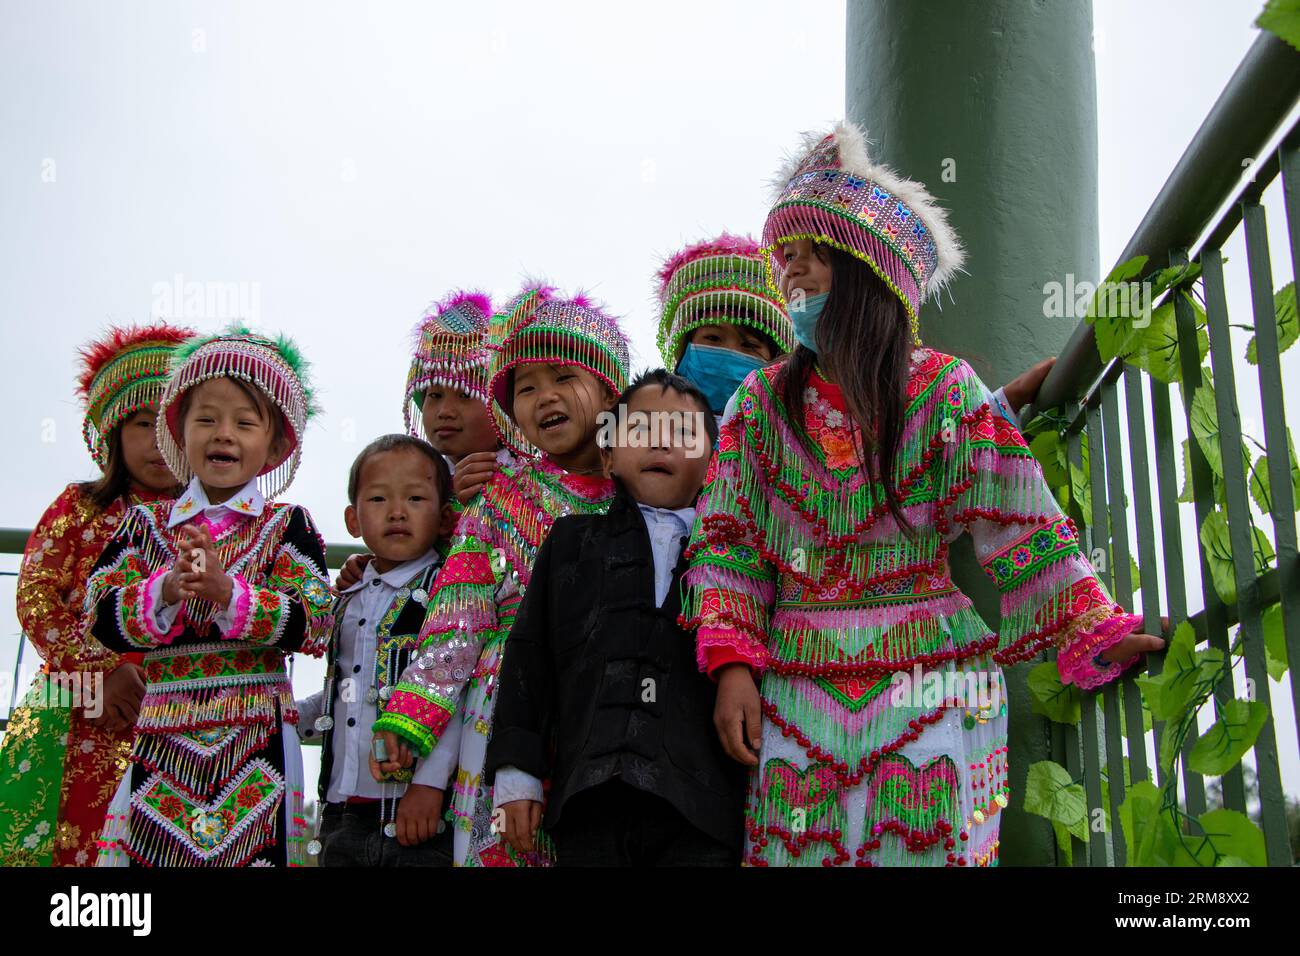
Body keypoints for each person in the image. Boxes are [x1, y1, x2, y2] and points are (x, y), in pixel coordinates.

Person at [684, 122, 1165, 867]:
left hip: (934, 684)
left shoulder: (946, 389)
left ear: (870, 273)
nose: (790, 275)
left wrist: (1090, 627)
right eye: (784, 259)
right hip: (794, 691)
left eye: (810, 255)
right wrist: (733, 668)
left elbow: (1018, 514)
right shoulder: (756, 407)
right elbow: (728, 547)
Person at [371, 283, 630, 866]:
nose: (545, 397)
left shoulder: (643, 497)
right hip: (505, 710)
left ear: (610, 388)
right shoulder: (496, 503)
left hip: (612, 713)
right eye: (526, 387)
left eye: (564, 376)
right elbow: (454, 626)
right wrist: (412, 718)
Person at [85, 326, 335, 867]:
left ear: (276, 445)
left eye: (245, 422)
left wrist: (229, 594)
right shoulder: (143, 525)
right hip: (161, 735)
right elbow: (99, 613)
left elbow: (315, 621)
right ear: (177, 433)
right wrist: (166, 588)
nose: (224, 434)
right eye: (205, 419)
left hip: (258, 736)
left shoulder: (289, 525)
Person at [485, 368, 747, 866]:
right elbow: (528, 658)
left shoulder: (733, 556)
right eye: (642, 429)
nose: (661, 443)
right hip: (588, 798)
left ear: (714, 466)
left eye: (684, 433)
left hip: (701, 805)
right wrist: (517, 772)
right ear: (608, 455)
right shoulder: (569, 543)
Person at [0, 324, 191, 866]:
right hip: (73, 708)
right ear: (112, 434)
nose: (159, 442)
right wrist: (99, 673)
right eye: (141, 424)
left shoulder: (213, 523)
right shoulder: (79, 507)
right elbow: (36, 596)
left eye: (175, 426)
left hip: (175, 712)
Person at [298, 434, 459, 866]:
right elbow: (345, 687)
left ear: (444, 518)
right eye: (378, 498)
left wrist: (430, 784)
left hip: (416, 811)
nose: (397, 511)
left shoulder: (447, 592)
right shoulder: (348, 598)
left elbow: (453, 694)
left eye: (415, 498)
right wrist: (281, 720)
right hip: (342, 810)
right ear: (353, 519)